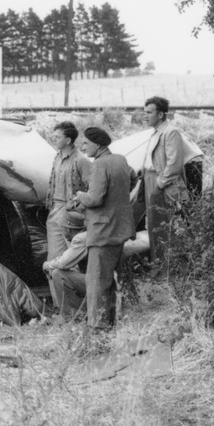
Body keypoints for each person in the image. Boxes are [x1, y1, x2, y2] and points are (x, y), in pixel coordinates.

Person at [48, 127, 137, 331]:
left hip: (102, 230)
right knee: (109, 278)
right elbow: (133, 179)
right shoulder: (120, 160)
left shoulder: (98, 164)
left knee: (96, 280)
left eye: (86, 143)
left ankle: (98, 327)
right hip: (120, 227)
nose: (83, 146)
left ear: (97, 145)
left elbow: (95, 199)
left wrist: (80, 196)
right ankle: (110, 320)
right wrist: (116, 199)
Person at [43, 121, 92, 307]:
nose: (53, 139)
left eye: (57, 137)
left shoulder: (81, 160)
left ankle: (83, 305)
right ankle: (60, 307)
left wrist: (79, 209)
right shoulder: (57, 157)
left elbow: (93, 191)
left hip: (73, 217)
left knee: (75, 260)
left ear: (69, 140)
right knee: (53, 261)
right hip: (55, 212)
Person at [140, 96, 188, 278]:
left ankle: (166, 272)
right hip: (149, 179)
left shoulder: (171, 132)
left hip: (161, 183)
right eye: (144, 112)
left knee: (162, 226)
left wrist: (159, 184)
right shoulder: (155, 132)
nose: (145, 116)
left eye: (149, 112)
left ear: (160, 114)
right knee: (153, 225)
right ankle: (157, 268)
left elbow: (174, 164)